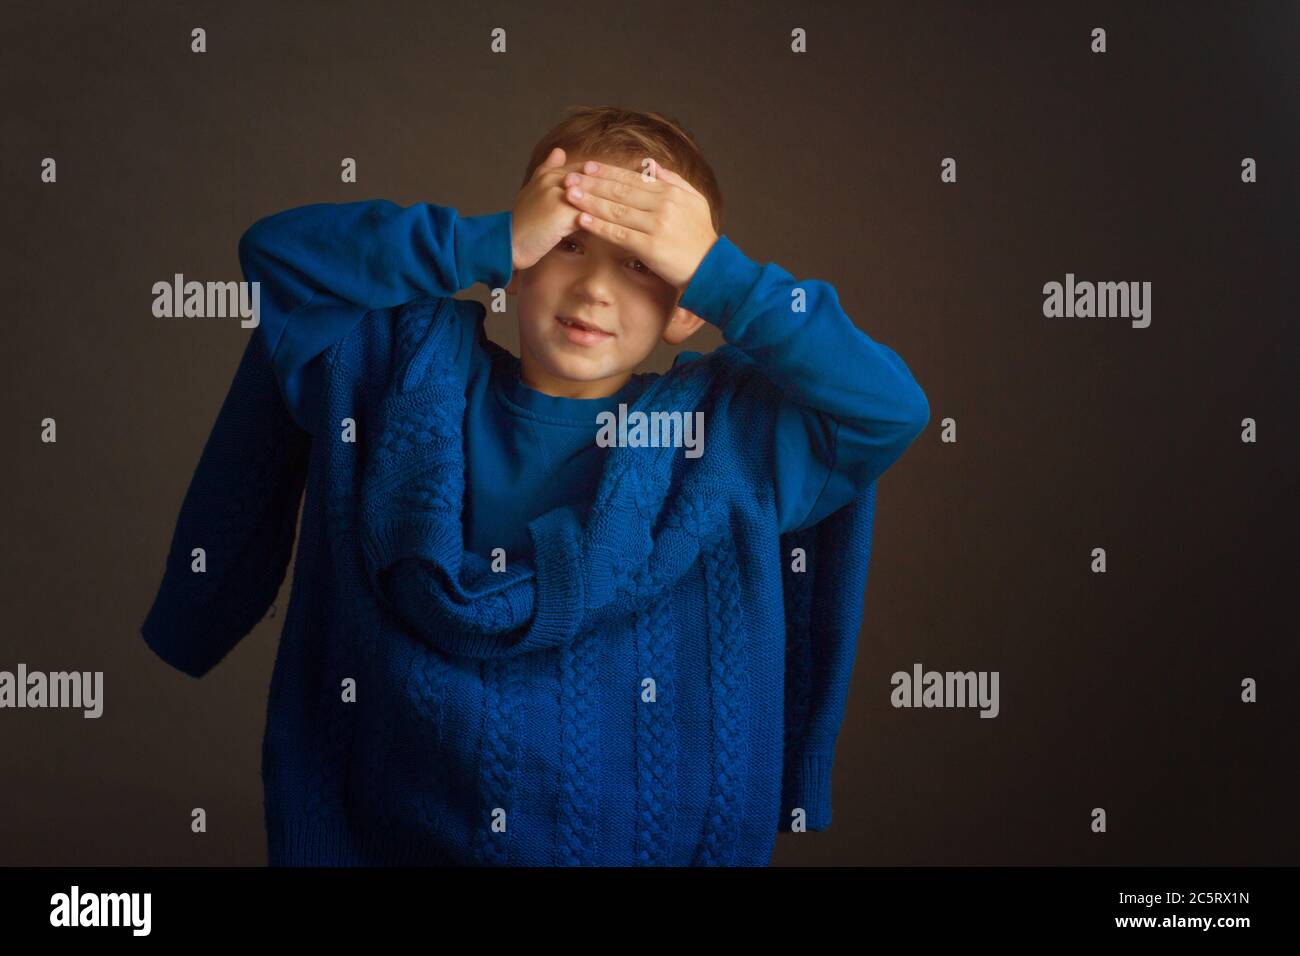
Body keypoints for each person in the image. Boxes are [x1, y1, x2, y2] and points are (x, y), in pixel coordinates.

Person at [141, 106, 930, 866]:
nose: (593, 290)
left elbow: (890, 408)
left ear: (689, 308)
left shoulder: (726, 442)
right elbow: (277, 256)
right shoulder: (399, 376)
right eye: (568, 246)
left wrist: (721, 271)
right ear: (517, 269)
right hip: (390, 827)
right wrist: (482, 240)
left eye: (640, 264)